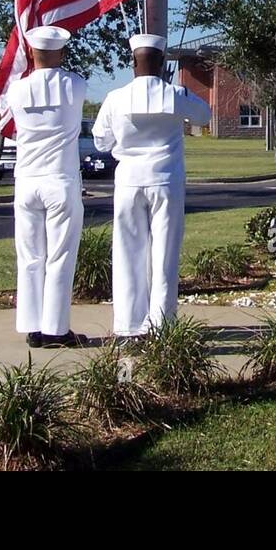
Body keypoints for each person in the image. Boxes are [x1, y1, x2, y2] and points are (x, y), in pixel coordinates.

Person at [93, 33, 211, 340]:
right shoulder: (175, 95)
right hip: (165, 181)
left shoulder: (115, 98)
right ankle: (161, 325)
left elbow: (101, 141)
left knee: (128, 251)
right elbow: (204, 115)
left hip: (129, 181)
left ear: (133, 62)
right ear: (162, 64)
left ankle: (129, 325)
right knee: (164, 255)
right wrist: (181, 94)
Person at [6, 25, 87, 348]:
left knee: (29, 256)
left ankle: (33, 326)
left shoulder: (16, 90)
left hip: (27, 179)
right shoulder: (75, 85)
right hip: (60, 178)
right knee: (59, 256)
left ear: (31, 52)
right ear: (62, 53)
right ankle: (56, 327)